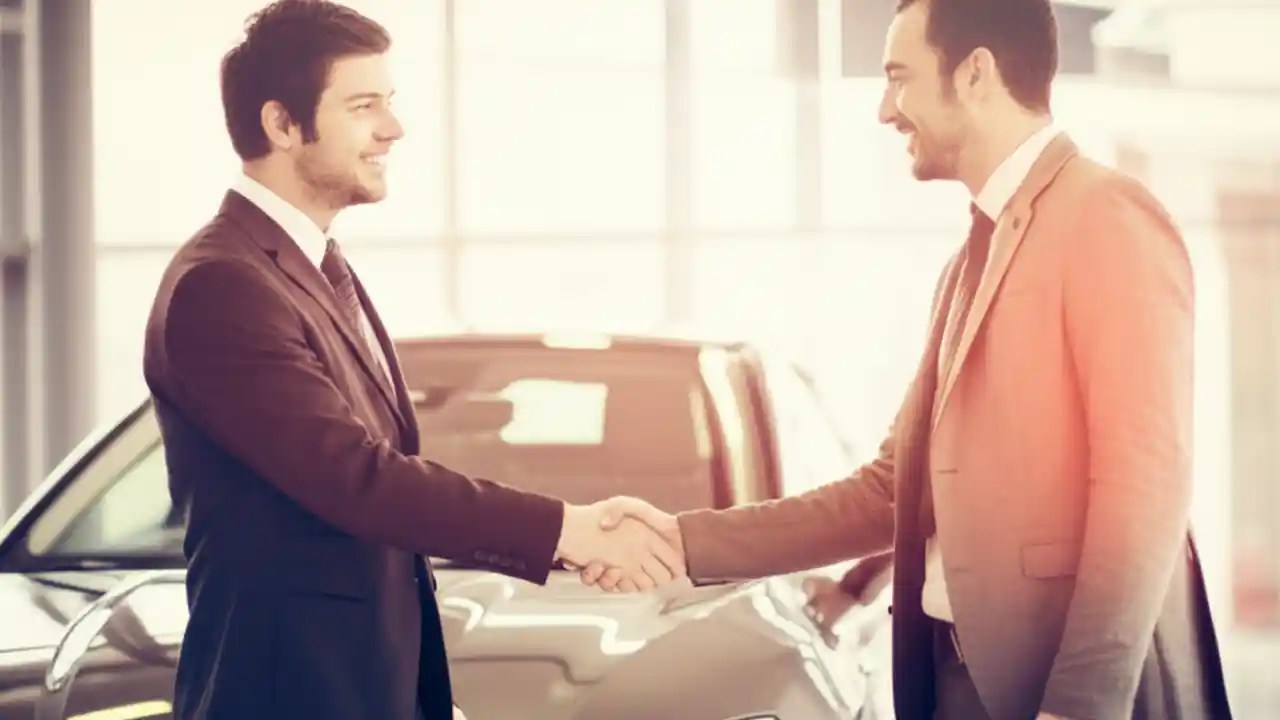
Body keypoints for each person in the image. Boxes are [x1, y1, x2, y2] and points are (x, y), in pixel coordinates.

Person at [584, 0, 1233, 718]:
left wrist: (1078, 706)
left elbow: (1143, 486)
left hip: (1058, 693)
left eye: (900, 78)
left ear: (976, 74)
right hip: (957, 680)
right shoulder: (967, 265)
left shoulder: (1106, 215)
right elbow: (890, 491)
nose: (887, 111)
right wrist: (679, 540)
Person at [141, 3, 682, 719]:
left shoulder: (310, 264)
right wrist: (567, 530)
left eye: (389, 104)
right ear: (280, 124)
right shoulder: (224, 285)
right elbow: (357, 479)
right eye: (364, 106)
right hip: (289, 692)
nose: (393, 129)